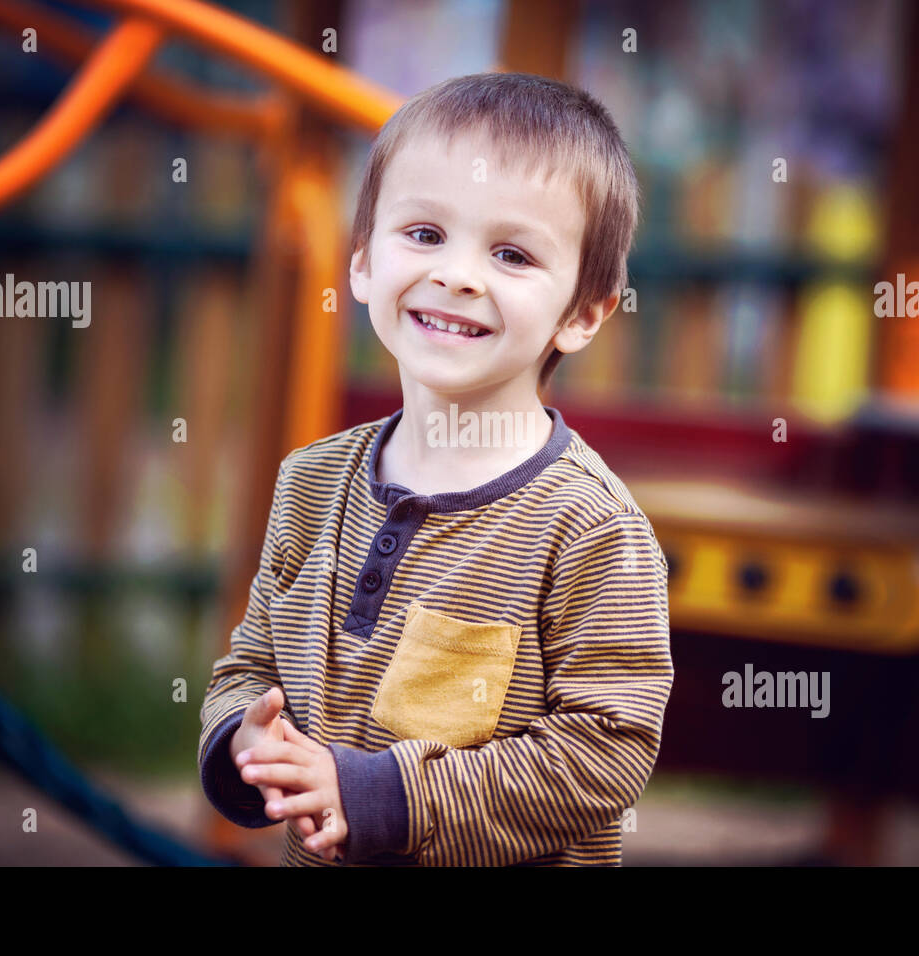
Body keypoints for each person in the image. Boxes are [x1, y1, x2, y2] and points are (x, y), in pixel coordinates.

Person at [198, 71, 673, 866]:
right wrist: (246, 739)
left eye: (511, 254)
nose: (456, 274)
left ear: (583, 312)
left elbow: (606, 750)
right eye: (423, 234)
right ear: (361, 262)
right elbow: (251, 664)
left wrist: (381, 795)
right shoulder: (311, 482)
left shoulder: (591, 529)